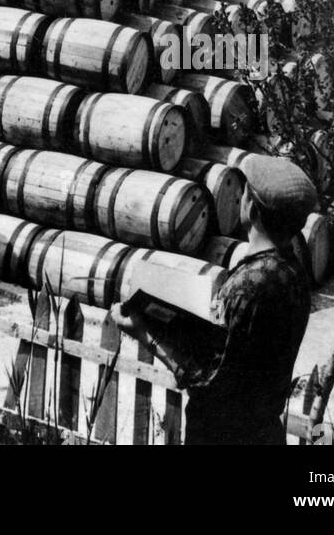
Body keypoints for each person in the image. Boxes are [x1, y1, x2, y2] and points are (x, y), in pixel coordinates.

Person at [110, 157, 318, 446]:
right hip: (265, 432)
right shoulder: (293, 273)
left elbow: (209, 382)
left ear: (252, 208)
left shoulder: (250, 285)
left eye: (243, 192)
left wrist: (144, 334)